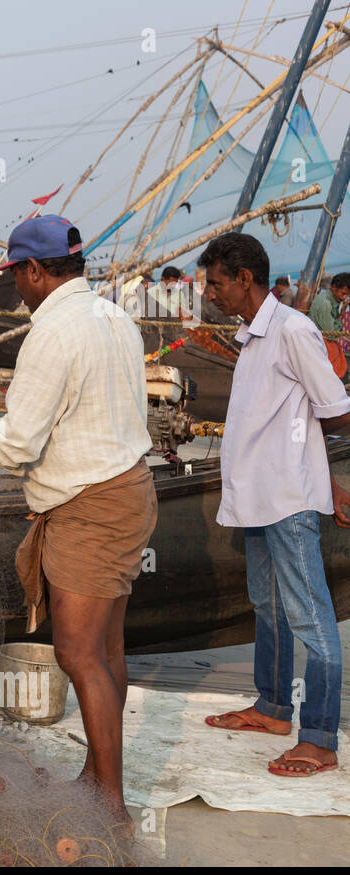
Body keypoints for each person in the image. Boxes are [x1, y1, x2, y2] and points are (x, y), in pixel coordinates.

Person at [0, 215, 156, 830]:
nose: (15, 290)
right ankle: (100, 774)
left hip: (92, 506)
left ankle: (110, 803)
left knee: (79, 654)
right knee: (107, 649)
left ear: (34, 270)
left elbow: (18, 442)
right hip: (130, 488)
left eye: (16, 277)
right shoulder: (114, 318)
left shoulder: (52, 333)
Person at [199, 235, 347, 777]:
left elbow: (333, 410)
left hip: (287, 500)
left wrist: (325, 480)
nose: (209, 292)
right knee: (269, 604)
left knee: (311, 616)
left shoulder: (293, 330)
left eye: (215, 282)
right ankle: (273, 708)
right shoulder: (253, 337)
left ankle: (320, 738)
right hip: (258, 500)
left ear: (244, 279)